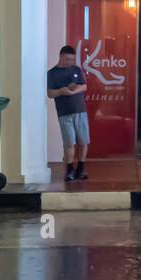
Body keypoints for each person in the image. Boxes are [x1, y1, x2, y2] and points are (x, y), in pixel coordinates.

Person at [47, 45, 89, 182]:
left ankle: (81, 169)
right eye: (67, 59)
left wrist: (74, 91)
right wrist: (62, 91)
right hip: (64, 113)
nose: (69, 62)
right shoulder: (51, 73)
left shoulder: (76, 69)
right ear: (60, 57)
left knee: (83, 141)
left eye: (72, 60)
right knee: (69, 142)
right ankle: (70, 169)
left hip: (80, 111)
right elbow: (50, 93)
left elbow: (84, 86)